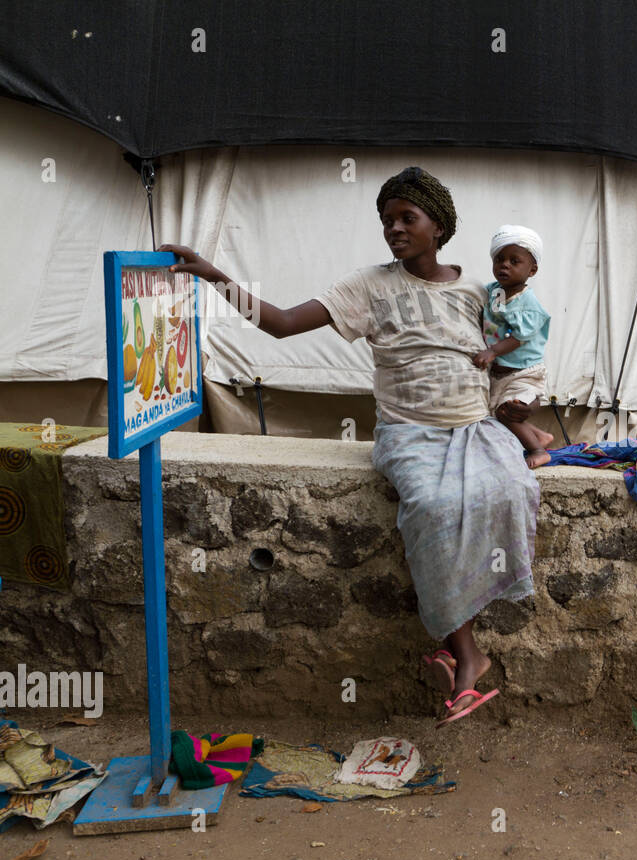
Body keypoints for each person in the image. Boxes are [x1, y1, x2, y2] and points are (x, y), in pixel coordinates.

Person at [160, 166, 538, 726]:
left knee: (510, 488)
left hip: (474, 426)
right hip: (409, 434)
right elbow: (283, 323)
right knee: (433, 508)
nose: (394, 229)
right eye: (387, 220)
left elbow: (522, 350)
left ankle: (457, 645)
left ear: (440, 227)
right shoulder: (369, 286)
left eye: (408, 218)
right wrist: (215, 276)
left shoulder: (478, 291)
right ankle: (467, 655)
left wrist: (519, 412)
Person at [473, 225, 553, 468]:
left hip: (524, 373)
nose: (504, 265)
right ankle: (540, 436)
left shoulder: (529, 304)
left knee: (512, 410)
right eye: (499, 259)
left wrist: (492, 351)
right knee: (499, 415)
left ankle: (538, 450)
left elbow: (518, 337)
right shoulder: (494, 291)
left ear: (532, 270)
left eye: (514, 261)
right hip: (499, 373)